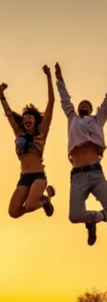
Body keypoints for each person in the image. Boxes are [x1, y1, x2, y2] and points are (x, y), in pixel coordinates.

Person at [55, 63, 107, 245]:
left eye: (88, 104)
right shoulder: (72, 118)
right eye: (81, 103)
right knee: (74, 215)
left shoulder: (97, 120)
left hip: (96, 173)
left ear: (92, 109)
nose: (84, 104)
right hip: (78, 177)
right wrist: (59, 78)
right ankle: (96, 218)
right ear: (77, 108)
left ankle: (95, 218)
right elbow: (64, 100)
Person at [0, 68, 57, 220]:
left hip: (38, 176)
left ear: (36, 119)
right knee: (14, 212)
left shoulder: (42, 132)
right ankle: (45, 199)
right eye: (25, 117)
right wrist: (1, 94)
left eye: (30, 116)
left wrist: (49, 76)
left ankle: (43, 200)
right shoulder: (19, 133)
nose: (27, 119)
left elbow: (51, 102)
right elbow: (9, 114)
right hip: (24, 177)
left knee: (30, 206)